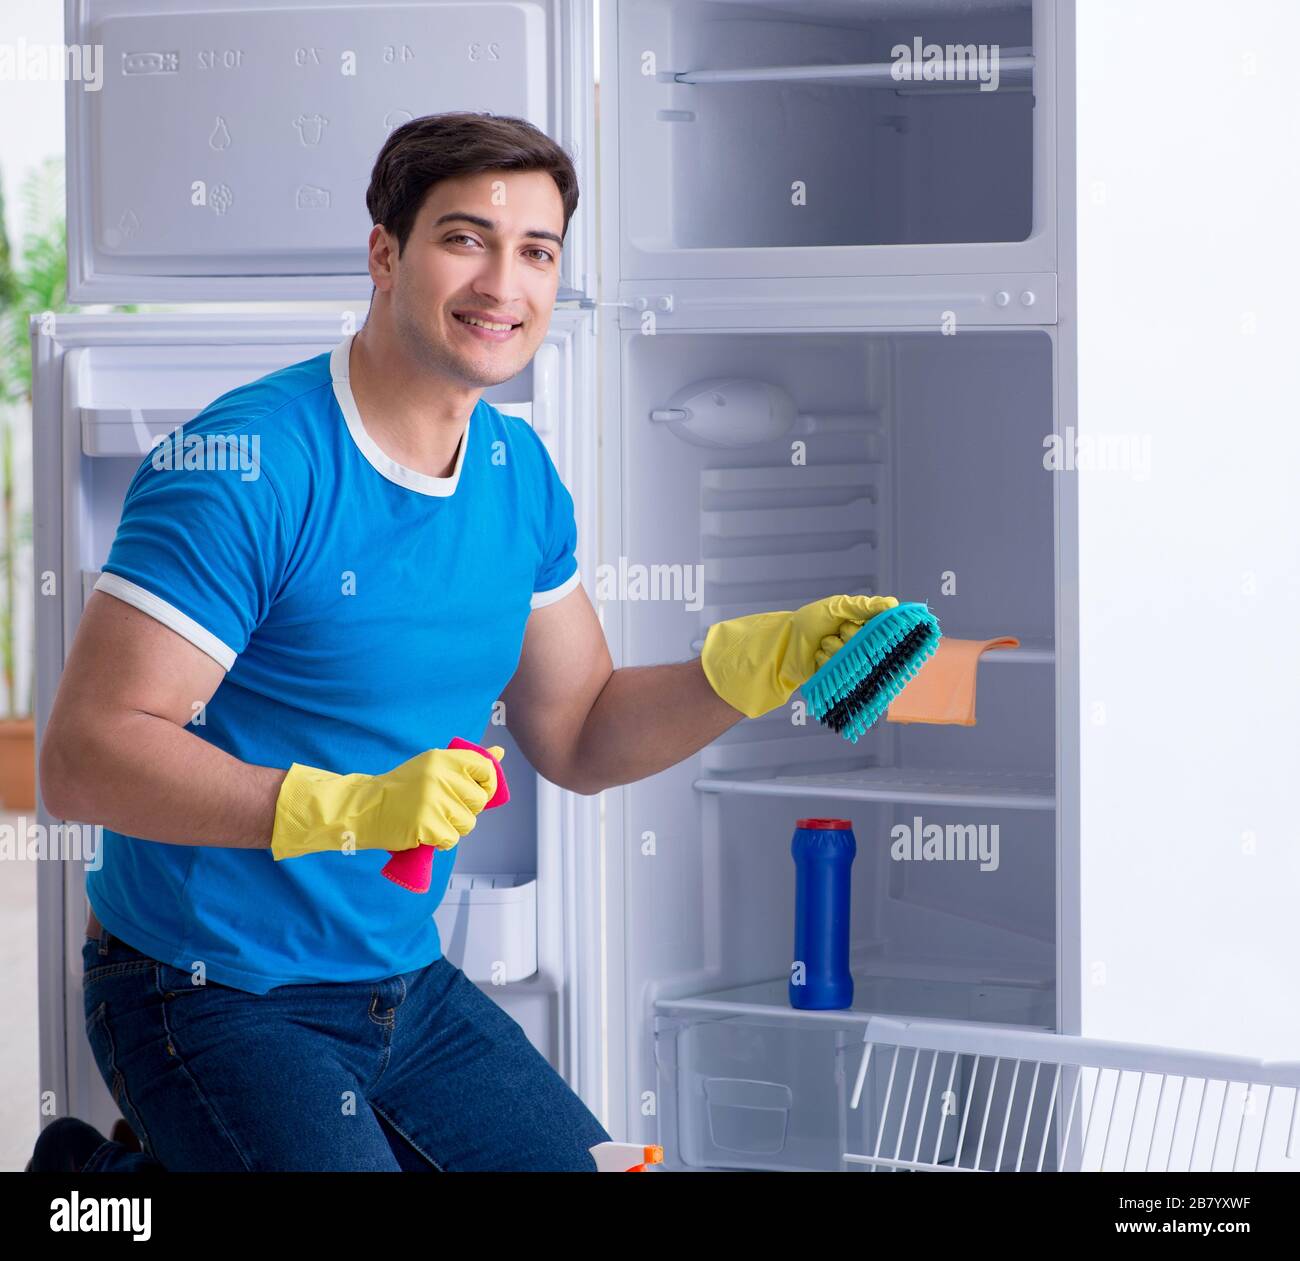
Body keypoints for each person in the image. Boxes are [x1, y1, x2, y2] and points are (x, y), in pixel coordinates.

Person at [36, 110, 896, 1171]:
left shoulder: (516, 473)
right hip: (207, 986)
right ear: (385, 254)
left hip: (402, 982)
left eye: (535, 251)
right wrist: (342, 808)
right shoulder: (245, 464)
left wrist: (745, 669)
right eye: (464, 239)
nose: (504, 282)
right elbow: (83, 755)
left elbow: (578, 732)